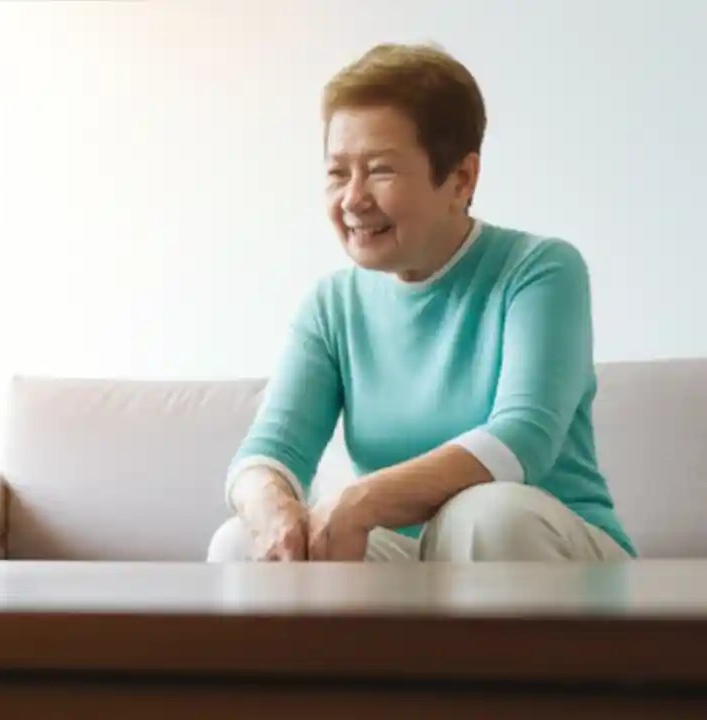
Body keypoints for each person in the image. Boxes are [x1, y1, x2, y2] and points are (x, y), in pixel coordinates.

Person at [207, 43, 635, 563]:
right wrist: (273, 510)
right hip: (416, 561)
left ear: (461, 179)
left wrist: (361, 500)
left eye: (380, 170)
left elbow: (522, 440)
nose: (353, 198)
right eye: (338, 173)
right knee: (240, 543)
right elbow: (265, 455)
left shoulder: (540, 270)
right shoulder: (331, 306)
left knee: (486, 514)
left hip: (556, 551)